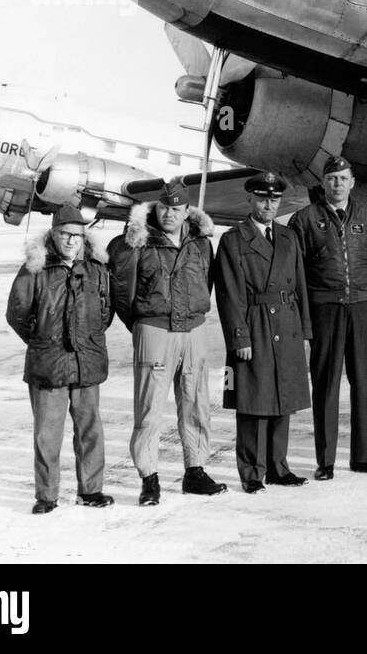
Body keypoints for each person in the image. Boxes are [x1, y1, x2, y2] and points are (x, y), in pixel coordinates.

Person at [108, 180, 227, 504]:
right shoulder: (138, 241)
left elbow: (206, 283)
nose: (169, 214)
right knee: (149, 408)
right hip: (154, 330)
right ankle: (149, 479)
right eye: (164, 207)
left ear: (187, 211)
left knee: (197, 402)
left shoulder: (202, 243)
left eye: (176, 208)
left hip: (194, 330)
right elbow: (122, 291)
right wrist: (143, 324)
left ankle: (195, 471)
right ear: (155, 207)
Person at [6, 205, 116, 514]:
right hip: (48, 365)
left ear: (84, 238)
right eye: (65, 234)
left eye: (77, 236)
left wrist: (88, 338)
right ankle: (47, 496)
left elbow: (105, 311)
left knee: (90, 429)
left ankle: (91, 491)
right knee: (47, 434)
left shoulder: (96, 268)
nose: (70, 241)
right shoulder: (35, 268)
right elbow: (17, 313)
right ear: (53, 235)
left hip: (86, 362)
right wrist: (42, 341)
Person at [288, 155, 367, 481]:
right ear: (323, 182)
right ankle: (326, 460)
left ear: (352, 183)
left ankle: (362, 455)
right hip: (325, 309)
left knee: (362, 382)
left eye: (343, 178)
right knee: (326, 384)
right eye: (332, 179)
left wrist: (361, 289)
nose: (337, 184)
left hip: (361, 308)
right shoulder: (304, 220)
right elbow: (296, 272)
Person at [214, 172, 314, 493]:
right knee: (254, 401)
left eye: (274, 199)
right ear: (250, 200)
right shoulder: (233, 240)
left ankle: (278, 467)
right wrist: (239, 337)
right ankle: (252, 473)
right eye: (262, 198)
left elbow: (300, 287)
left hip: (287, 323)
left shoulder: (288, 238)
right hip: (253, 324)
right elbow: (229, 294)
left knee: (283, 398)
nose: (268, 204)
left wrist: (306, 331)